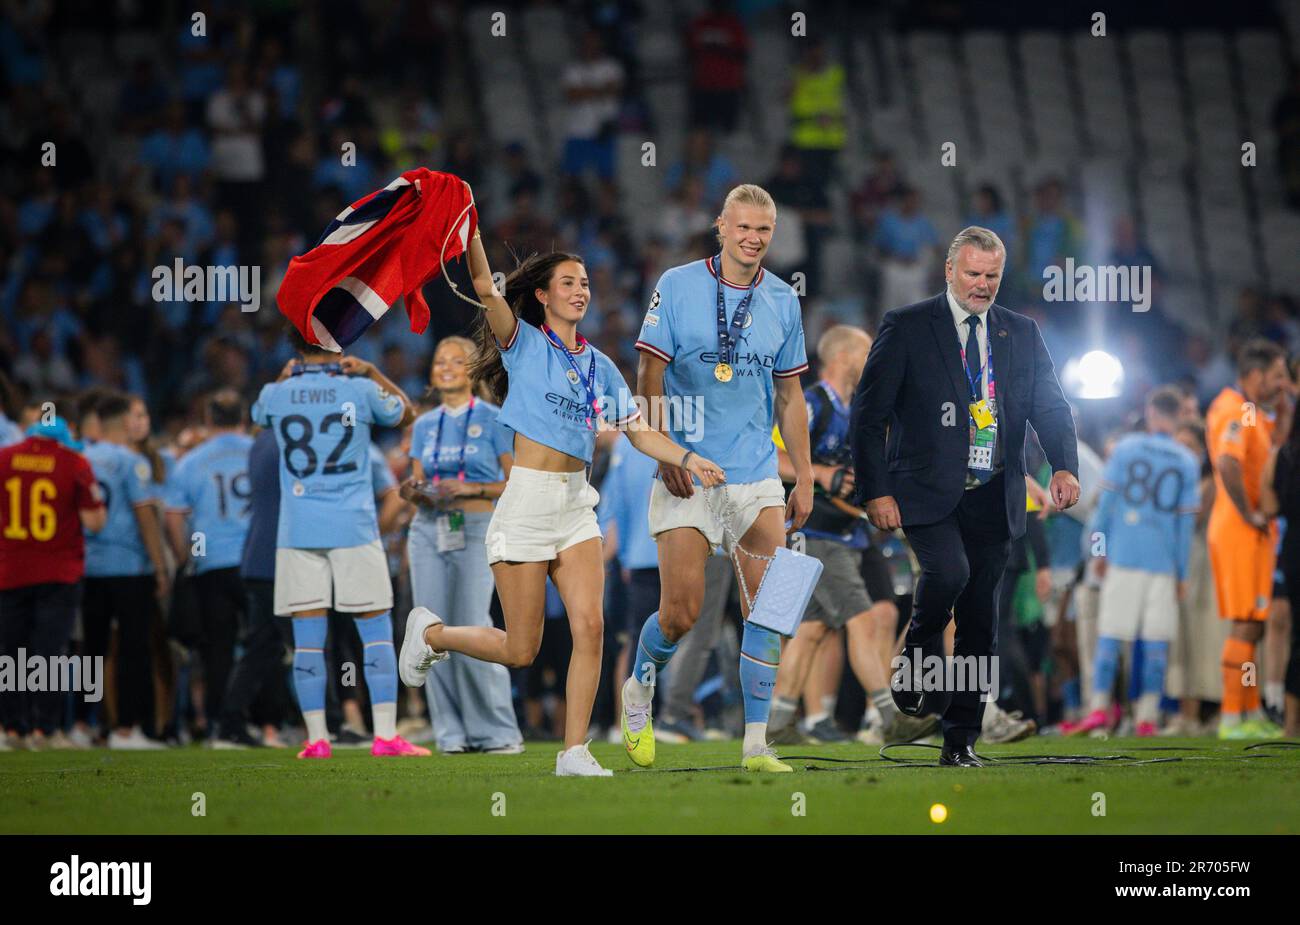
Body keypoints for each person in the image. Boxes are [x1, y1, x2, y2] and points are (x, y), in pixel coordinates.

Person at [398, 223, 725, 778]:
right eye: (568, 282)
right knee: (521, 649)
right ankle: (431, 634)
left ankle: (574, 752)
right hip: (526, 502)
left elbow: (639, 432)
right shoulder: (523, 342)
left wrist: (685, 458)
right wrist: (469, 227)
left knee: (591, 627)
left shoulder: (601, 365)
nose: (581, 290)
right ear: (544, 295)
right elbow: (483, 282)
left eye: (586, 282)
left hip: (577, 506)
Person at [851, 226, 1080, 767]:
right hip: (925, 492)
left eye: (992, 276)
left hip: (994, 493)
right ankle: (916, 650)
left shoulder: (1020, 332)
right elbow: (868, 416)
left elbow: (1051, 404)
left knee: (981, 620)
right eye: (973, 274)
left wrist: (1064, 465)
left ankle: (961, 741)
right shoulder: (905, 327)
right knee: (948, 575)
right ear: (950, 270)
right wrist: (875, 491)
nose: (982, 285)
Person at [622, 183, 814, 773]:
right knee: (680, 614)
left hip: (756, 474)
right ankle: (640, 685)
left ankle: (756, 744)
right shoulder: (677, 285)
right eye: (744, 228)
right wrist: (665, 454)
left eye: (764, 231)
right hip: (689, 471)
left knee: (771, 607)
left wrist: (802, 476)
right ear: (721, 227)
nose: (753, 239)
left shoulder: (784, 299)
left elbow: (791, 394)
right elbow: (648, 372)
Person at [252, 329, 427, 759]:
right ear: (340, 346)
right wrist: (373, 372)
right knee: (376, 634)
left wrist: (286, 375)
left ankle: (317, 740)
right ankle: (385, 736)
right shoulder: (361, 389)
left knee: (309, 640)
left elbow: (258, 416)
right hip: (353, 528)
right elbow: (408, 414)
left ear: (295, 348)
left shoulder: (275, 394)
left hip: (298, 532)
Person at [768, 324, 937, 746]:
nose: (872, 360)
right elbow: (770, 454)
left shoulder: (854, 408)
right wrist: (821, 473)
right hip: (815, 533)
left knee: (811, 631)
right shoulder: (811, 403)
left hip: (840, 533)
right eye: (866, 352)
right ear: (842, 356)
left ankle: (779, 723)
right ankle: (888, 715)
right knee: (862, 619)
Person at [402, 335, 524, 755]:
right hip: (427, 530)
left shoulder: (495, 419)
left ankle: (497, 731)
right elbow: (419, 481)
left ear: (473, 372)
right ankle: (451, 733)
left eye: (457, 360)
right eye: (440, 360)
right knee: (430, 631)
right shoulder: (422, 425)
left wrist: (469, 488)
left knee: (471, 621)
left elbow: (514, 484)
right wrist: (414, 491)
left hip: (476, 529)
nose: (447, 366)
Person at [1071, 386, 1200, 737]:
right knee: (1157, 641)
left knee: (1111, 635)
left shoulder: (1126, 449)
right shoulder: (1186, 461)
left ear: (1150, 412)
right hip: (1162, 562)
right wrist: (1182, 572)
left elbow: (1105, 510)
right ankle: (1147, 716)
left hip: (1124, 556)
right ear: (1179, 417)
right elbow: (1184, 525)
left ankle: (1098, 709)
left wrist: (1098, 552)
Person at [0, 418, 106, 748]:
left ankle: (12, 728)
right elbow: (95, 522)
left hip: (10, 570)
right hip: (58, 571)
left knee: (11, 653)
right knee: (50, 654)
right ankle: (45, 729)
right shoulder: (74, 462)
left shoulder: (3, 459)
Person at [1204, 339, 1291, 738]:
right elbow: (1226, 461)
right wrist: (1248, 512)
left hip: (1252, 531)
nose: (1282, 383)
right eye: (1276, 376)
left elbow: (1275, 451)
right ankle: (1231, 717)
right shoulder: (1235, 410)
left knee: (1254, 623)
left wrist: (1286, 403)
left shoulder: (1253, 411)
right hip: (1239, 529)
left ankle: (1251, 711)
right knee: (1244, 623)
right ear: (1254, 375)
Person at [81, 392, 172, 749]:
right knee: (134, 648)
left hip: (89, 567)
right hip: (129, 567)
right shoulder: (131, 462)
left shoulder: (82, 459)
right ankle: (128, 729)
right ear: (123, 423)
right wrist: (160, 567)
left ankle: (88, 724)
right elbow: (145, 517)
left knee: (93, 649)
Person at [163, 390, 254, 740]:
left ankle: (219, 723)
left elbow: (173, 515)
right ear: (243, 419)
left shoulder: (191, 461)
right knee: (265, 642)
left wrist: (185, 556)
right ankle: (270, 722)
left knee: (218, 648)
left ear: (208, 420)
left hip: (211, 562)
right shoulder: (257, 452)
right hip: (255, 561)